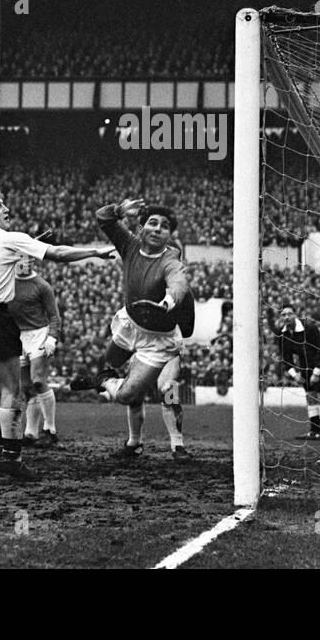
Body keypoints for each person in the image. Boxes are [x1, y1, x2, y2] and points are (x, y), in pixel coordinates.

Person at [0, 187, 115, 481]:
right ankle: (12, 458)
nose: (6, 209)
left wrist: (25, 245)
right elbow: (57, 253)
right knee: (12, 391)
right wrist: (93, 251)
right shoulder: (10, 237)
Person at [72, 198, 193, 462]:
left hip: (164, 342)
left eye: (165, 226)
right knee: (126, 386)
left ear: (171, 237)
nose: (158, 229)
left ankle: (177, 445)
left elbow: (179, 283)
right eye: (152, 223)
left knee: (168, 389)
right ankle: (134, 443)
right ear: (140, 228)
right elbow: (103, 217)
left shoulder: (171, 260)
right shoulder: (130, 245)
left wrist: (169, 300)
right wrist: (119, 211)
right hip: (132, 326)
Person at [9, 255, 61, 447]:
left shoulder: (42, 286)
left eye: (27, 260)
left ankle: (50, 429)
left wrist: (52, 337)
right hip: (17, 336)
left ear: (32, 262)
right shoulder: (6, 280)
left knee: (39, 381)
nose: (24, 264)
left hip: (38, 334)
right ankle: (31, 432)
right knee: (26, 388)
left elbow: (54, 315)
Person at [268, 304, 320, 440]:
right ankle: (314, 431)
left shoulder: (310, 329)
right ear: (280, 317)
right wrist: (294, 375)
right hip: (304, 366)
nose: (287, 317)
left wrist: (317, 373)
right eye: (283, 315)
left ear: (295, 315)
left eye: (289, 313)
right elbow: (286, 357)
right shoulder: (282, 335)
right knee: (310, 396)